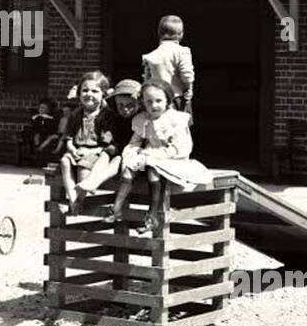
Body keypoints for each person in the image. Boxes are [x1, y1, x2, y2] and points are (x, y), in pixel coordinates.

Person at [108, 80, 213, 235]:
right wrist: (132, 153)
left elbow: (181, 148)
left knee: (152, 170)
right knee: (128, 169)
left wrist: (155, 155)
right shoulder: (143, 119)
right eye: (149, 101)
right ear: (143, 102)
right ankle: (115, 209)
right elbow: (135, 142)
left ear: (167, 100)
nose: (154, 105)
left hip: (172, 159)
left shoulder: (175, 120)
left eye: (158, 101)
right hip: (150, 155)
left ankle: (152, 216)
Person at [73, 78, 141, 207]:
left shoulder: (142, 119)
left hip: (135, 157)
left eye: (130, 105)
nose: (125, 109)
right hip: (119, 150)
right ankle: (90, 181)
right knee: (106, 154)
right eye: (120, 105)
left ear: (139, 104)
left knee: (117, 160)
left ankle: (95, 181)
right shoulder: (116, 117)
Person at [58, 71, 114, 211]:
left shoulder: (105, 115)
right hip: (77, 151)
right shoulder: (76, 114)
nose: (89, 94)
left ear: (103, 94)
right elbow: (69, 137)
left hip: (95, 153)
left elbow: (106, 145)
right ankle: (72, 198)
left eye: (95, 91)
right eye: (85, 90)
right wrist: (71, 148)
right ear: (79, 93)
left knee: (83, 170)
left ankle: (78, 202)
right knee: (64, 162)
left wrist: (88, 152)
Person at [142, 14, 196, 117]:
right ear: (181, 35)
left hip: (158, 100)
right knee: (181, 129)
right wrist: (188, 91)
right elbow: (187, 76)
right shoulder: (182, 52)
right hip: (178, 99)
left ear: (159, 34)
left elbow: (147, 80)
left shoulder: (150, 56)